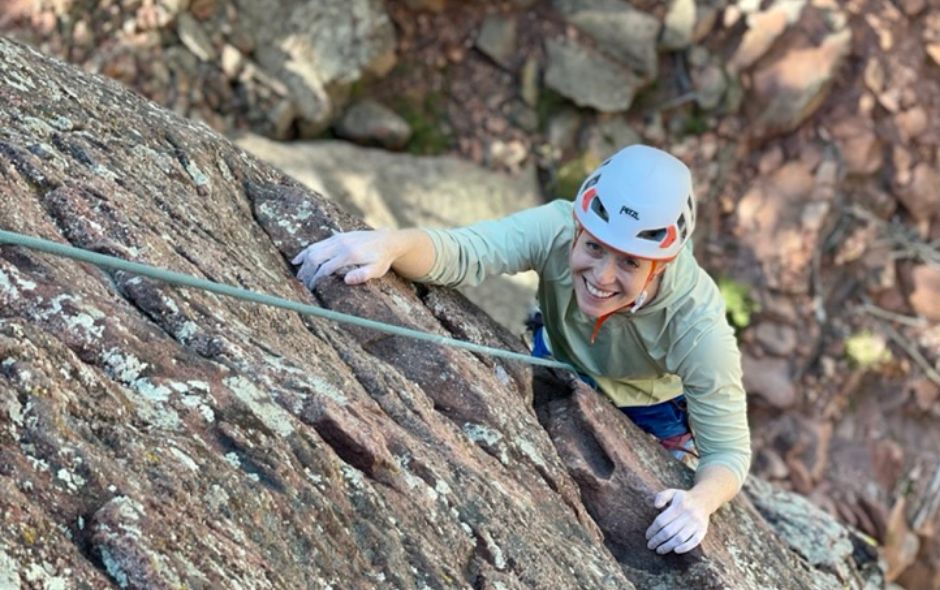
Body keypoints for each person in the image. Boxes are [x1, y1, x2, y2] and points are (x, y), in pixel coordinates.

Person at [293, 144, 750, 555]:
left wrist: (700, 501)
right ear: (578, 227)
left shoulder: (698, 325)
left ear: (662, 263)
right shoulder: (555, 226)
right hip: (555, 355)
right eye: (593, 247)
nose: (602, 276)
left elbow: (728, 452)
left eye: (629, 261)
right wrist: (391, 244)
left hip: (653, 407)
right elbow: (464, 252)